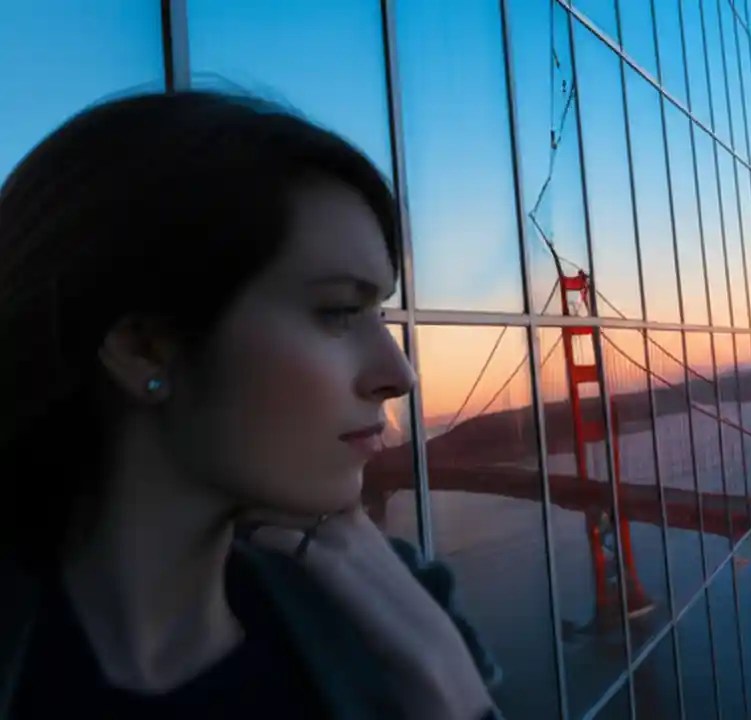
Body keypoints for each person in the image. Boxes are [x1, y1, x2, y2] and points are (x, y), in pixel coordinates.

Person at [0, 90, 501, 719]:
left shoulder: (403, 607)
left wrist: (454, 693)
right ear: (145, 349)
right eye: (338, 311)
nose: (399, 374)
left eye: (380, 312)